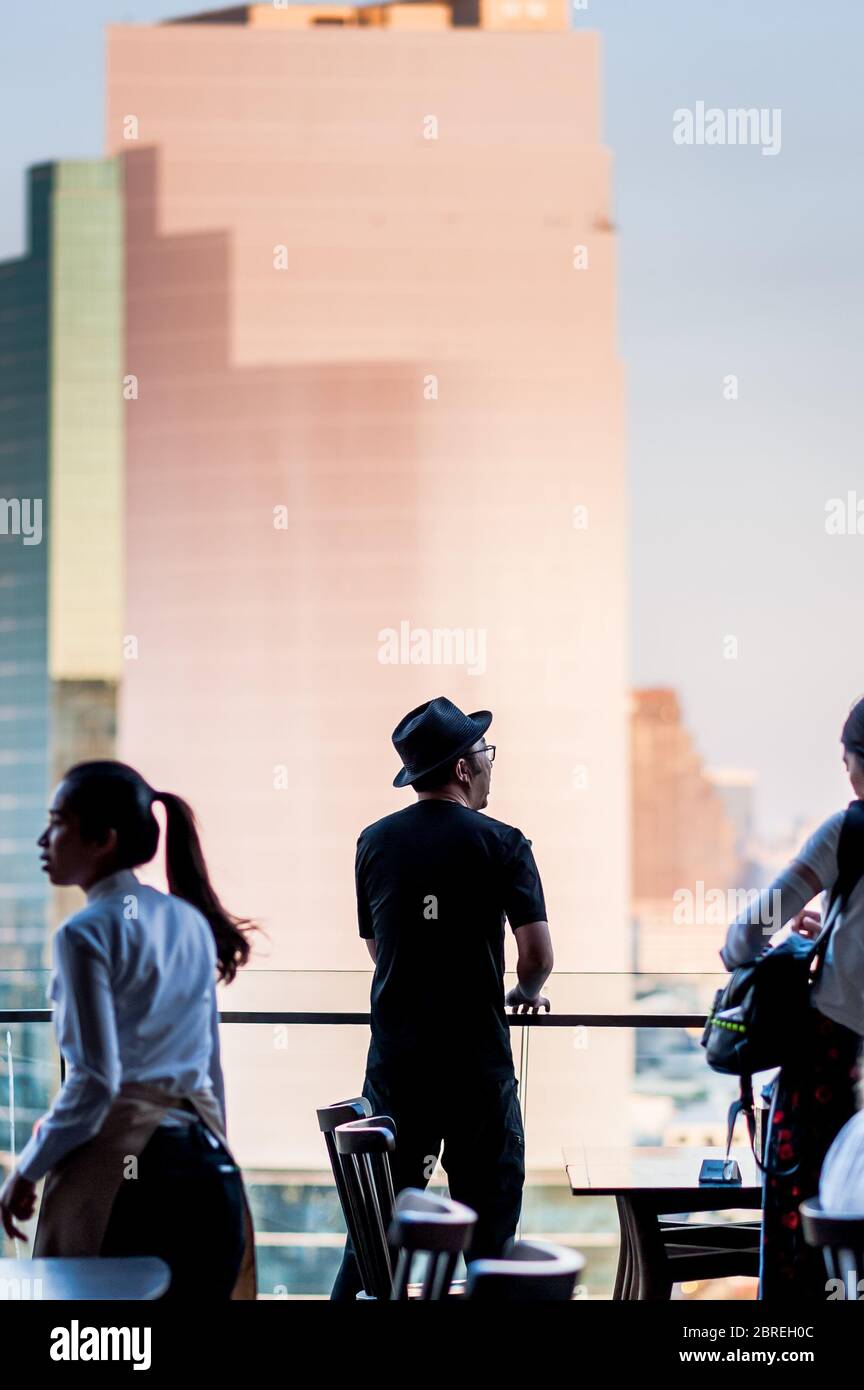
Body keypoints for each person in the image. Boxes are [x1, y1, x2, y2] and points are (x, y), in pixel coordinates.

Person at [0, 760, 259, 1300]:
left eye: (57, 823)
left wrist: (26, 1170)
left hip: (130, 1183)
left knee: (104, 1344)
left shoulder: (82, 934)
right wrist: (222, 1155)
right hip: (211, 1172)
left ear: (103, 840)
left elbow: (95, 1082)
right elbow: (209, 1068)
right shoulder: (187, 920)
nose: (43, 839)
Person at [331, 696, 553, 1301]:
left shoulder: (373, 842)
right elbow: (536, 955)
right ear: (462, 767)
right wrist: (523, 992)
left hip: (397, 1064)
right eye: (485, 753)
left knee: (377, 1234)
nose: (489, 764)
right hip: (476, 1064)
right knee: (490, 1233)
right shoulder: (504, 843)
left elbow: (381, 949)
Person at [720, 697, 864, 1300]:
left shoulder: (848, 832)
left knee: (800, 1255)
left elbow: (740, 940)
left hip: (830, 1072)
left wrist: (801, 937)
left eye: (846, 760)